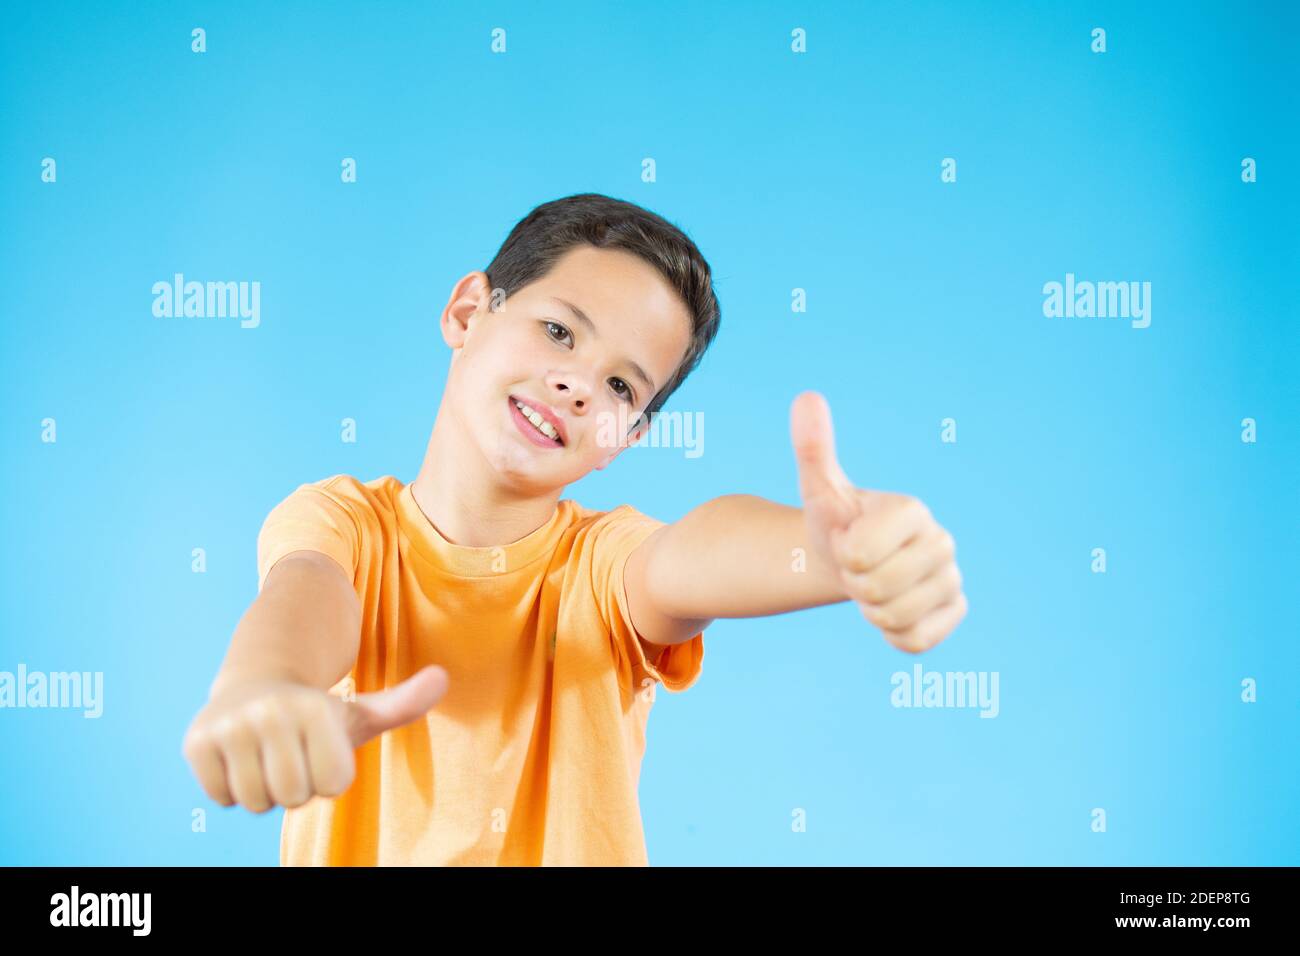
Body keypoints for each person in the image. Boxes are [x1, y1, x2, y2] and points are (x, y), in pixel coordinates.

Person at [181, 193, 967, 865]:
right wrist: (266, 686)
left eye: (622, 384)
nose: (578, 386)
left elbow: (687, 558)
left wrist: (824, 555)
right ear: (466, 313)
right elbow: (308, 593)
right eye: (560, 332)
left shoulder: (600, 567)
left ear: (624, 439)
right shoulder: (343, 523)